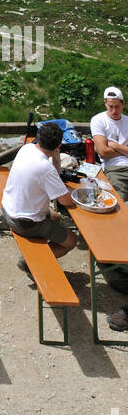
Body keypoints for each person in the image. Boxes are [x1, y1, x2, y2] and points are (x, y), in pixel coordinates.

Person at [1, 121, 77, 264]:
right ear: (58, 146)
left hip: (8, 209)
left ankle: (42, 248)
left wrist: (56, 158)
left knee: (55, 217)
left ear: (38, 137)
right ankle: (30, 261)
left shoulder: (26, 148)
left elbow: (54, 176)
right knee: (72, 240)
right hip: (24, 223)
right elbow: (65, 201)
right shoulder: (45, 168)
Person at [89, 88, 128, 331]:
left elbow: (108, 146)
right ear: (105, 103)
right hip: (114, 170)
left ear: (123, 104)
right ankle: (111, 252)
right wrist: (121, 148)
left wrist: (116, 145)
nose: (114, 110)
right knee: (116, 208)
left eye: (118, 106)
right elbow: (103, 152)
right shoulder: (98, 120)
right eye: (110, 106)